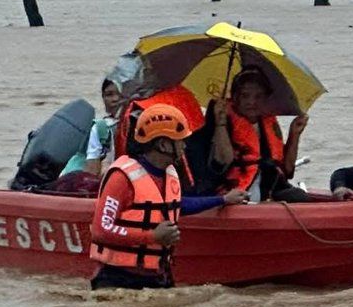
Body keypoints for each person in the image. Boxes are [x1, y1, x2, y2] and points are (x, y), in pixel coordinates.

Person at [90, 104, 247, 290]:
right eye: (180, 140)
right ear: (163, 144)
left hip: (158, 276)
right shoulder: (121, 178)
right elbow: (101, 230)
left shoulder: (169, 173)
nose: (185, 146)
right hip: (118, 279)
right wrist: (152, 236)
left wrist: (222, 200)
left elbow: (177, 205)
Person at [204, 67, 309, 202]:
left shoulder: (267, 122)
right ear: (235, 97)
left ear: (266, 98)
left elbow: (287, 170)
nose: (251, 102)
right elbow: (223, 161)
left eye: (258, 96)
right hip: (236, 189)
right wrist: (220, 124)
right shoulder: (223, 120)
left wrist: (294, 134)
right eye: (245, 96)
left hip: (269, 186)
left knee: (299, 197)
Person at [68, 77, 125, 178]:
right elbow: (92, 169)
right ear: (103, 98)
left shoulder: (136, 122)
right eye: (109, 95)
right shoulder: (101, 128)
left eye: (119, 94)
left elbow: (92, 170)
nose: (115, 99)